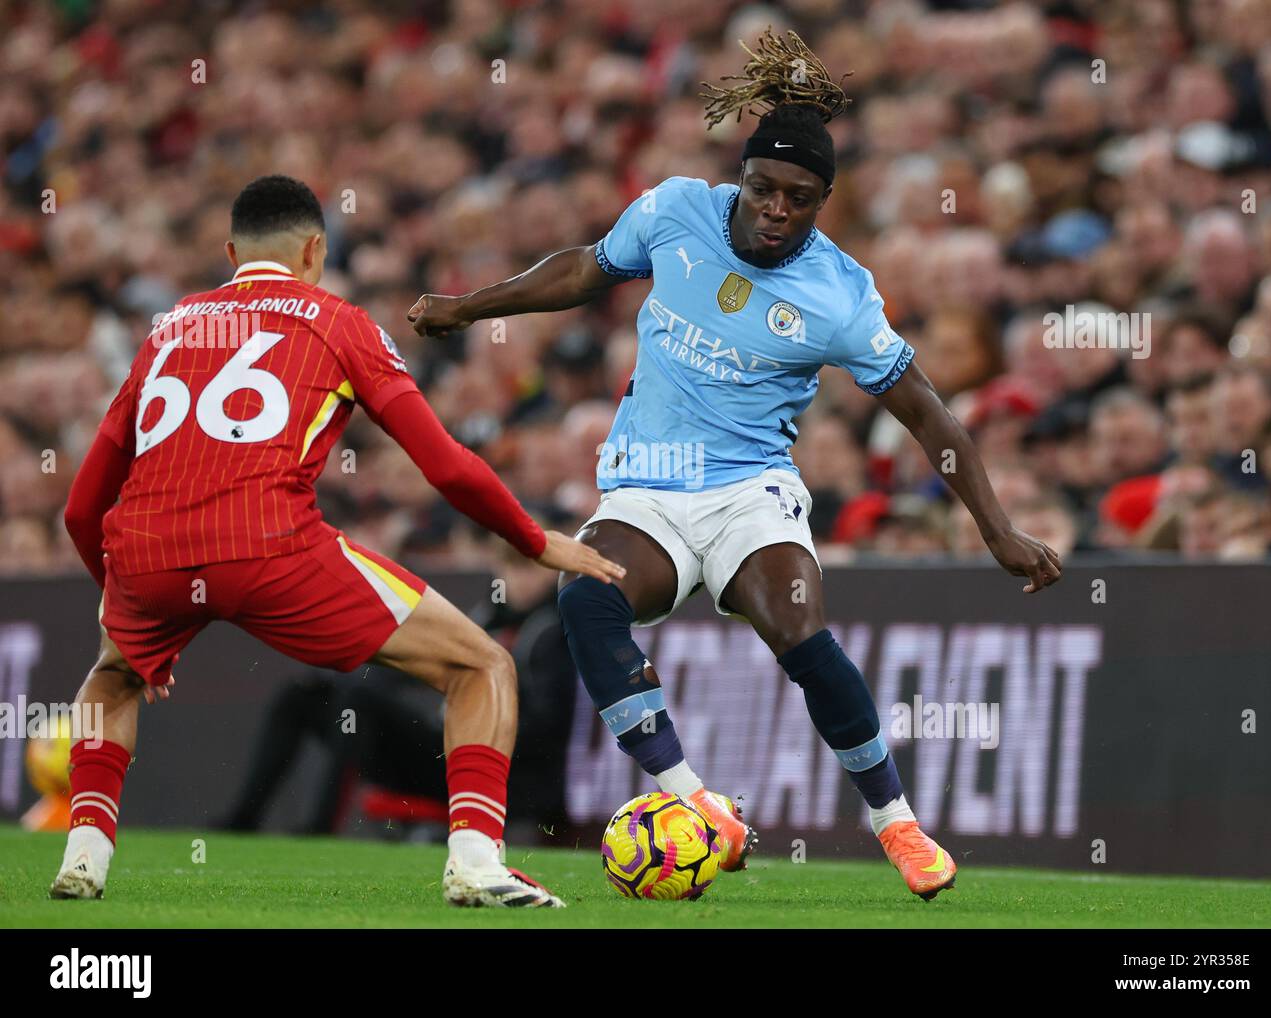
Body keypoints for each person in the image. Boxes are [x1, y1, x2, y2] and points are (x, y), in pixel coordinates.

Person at [410, 31, 1062, 901]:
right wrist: (468, 307)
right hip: (645, 486)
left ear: (824, 202)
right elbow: (582, 270)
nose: (777, 209)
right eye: (763, 188)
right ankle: (695, 805)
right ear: (741, 179)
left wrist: (998, 527)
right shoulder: (675, 209)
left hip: (749, 492)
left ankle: (898, 826)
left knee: (798, 628)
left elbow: (927, 414)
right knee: (585, 596)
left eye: (800, 198)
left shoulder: (840, 295)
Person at [53, 174, 623, 908]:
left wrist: (124, 611)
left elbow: (79, 509)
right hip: (270, 544)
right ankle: (477, 863)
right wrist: (533, 539)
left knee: (112, 677)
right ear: (316, 250)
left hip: (144, 549)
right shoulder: (339, 321)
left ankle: (85, 857)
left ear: (232, 252)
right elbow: (445, 464)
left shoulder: (169, 327)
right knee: (481, 666)